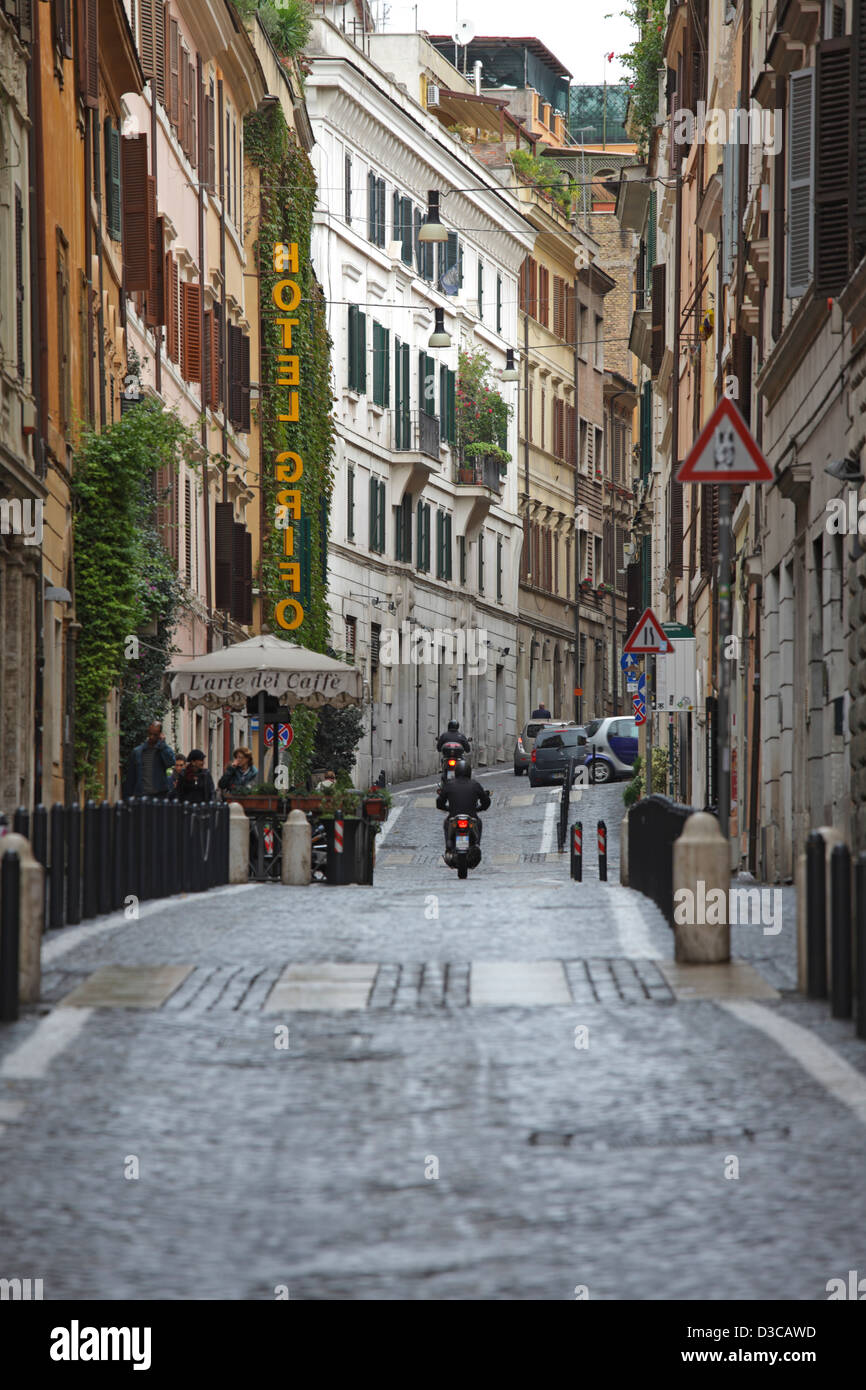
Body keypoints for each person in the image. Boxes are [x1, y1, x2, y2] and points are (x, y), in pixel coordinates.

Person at [436, 759, 490, 851]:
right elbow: (486, 801)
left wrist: (447, 808)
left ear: (456, 772)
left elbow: (439, 803)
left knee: (446, 823)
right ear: (469, 772)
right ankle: (476, 844)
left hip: (453, 817)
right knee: (479, 822)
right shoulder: (475, 784)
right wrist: (481, 808)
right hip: (471, 817)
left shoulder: (449, 784)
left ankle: (449, 842)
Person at [125, 722, 176, 799]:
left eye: (155, 734)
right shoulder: (137, 752)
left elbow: (170, 763)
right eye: (150, 733)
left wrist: (162, 745)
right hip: (141, 795)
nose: (151, 737)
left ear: (160, 734)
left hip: (159, 795)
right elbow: (131, 776)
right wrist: (128, 796)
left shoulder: (163, 750)